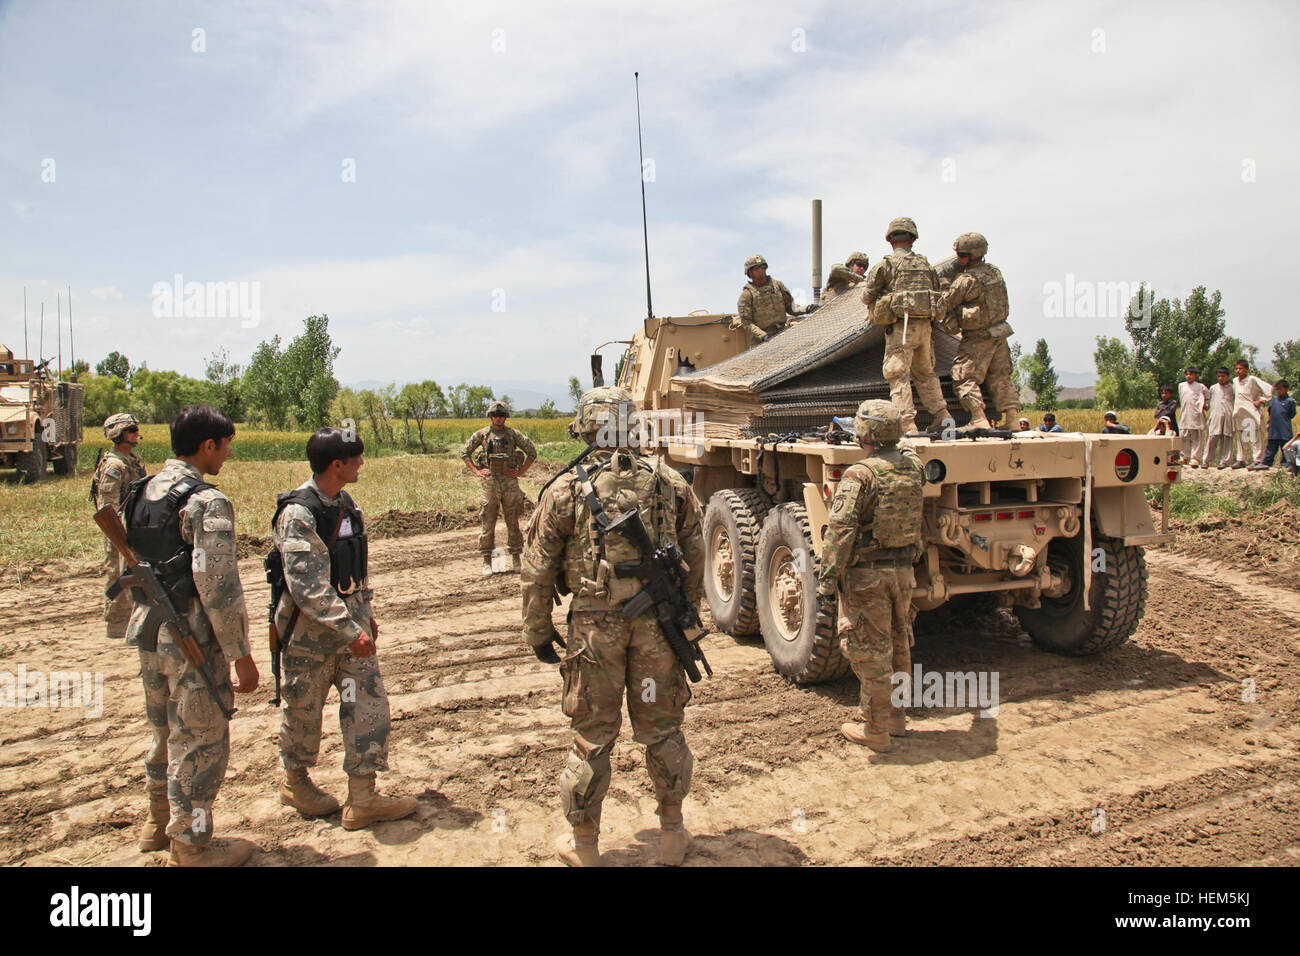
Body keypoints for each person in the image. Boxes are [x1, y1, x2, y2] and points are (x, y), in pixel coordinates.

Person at [521, 386, 705, 867]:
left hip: (593, 631)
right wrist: (687, 611)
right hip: (658, 629)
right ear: (633, 425)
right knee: (663, 727)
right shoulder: (670, 483)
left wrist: (537, 630)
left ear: (584, 427)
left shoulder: (564, 490)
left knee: (592, 733)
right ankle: (671, 833)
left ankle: (585, 846)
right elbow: (697, 553)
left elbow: (537, 568)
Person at [123, 405, 259, 866]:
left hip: (149, 631)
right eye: (225, 446)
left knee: (162, 729)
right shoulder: (206, 501)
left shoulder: (140, 491)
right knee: (201, 741)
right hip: (191, 637)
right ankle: (192, 844)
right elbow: (217, 587)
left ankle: (157, 822)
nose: (226, 454)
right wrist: (240, 653)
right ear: (208, 446)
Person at [272, 427, 418, 828]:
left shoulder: (346, 504)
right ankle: (296, 783)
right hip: (310, 639)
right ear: (337, 465)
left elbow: (357, 568)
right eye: (356, 458)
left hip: (352, 632)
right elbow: (307, 588)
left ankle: (363, 797)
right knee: (303, 711)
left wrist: (365, 613)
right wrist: (349, 629)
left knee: (367, 705)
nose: (362, 464)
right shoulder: (299, 514)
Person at [817, 399, 924, 752]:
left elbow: (841, 529)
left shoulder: (859, 475)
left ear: (864, 432)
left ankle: (875, 731)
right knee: (899, 643)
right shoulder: (913, 467)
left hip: (868, 577)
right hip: (904, 572)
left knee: (870, 652)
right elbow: (907, 454)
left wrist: (828, 578)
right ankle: (896, 718)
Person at [859, 217, 949, 433]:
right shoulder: (926, 265)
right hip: (925, 328)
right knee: (926, 373)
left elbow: (866, 296)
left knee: (898, 374)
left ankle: (907, 423)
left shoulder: (886, 265)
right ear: (913, 239)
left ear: (890, 240)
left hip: (901, 328)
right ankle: (942, 415)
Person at [933, 232, 1019, 430]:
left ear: (972, 256)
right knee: (1001, 377)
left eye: (962, 255)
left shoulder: (966, 280)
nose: (958, 259)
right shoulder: (994, 272)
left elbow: (945, 303)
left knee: (963, 376)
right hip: (1000, 333)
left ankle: (979, 419)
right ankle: (1012, 419)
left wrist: (945, 284)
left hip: (978, 337)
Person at [461, 401, 537, 575]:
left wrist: (520, 472)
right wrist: (477, 471)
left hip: (509, 483)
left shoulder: (513, 434)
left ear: (506, 416)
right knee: (488, 520)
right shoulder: (483, 434)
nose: (498, 418)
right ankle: (487, 560)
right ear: (490, 416)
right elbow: (465, 452)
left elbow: (532, 452)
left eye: (501, 415)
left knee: (513, 521)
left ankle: (516, 558)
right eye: (495, 415)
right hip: (490, 482)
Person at [91, 413, 146, 643]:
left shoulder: (130, 460)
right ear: (118, 433)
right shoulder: (115, 464)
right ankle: (116, 626)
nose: (136, 432)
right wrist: (118, 536)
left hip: (132, 527)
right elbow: (106, 507)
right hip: (118, 529)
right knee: (117, 576)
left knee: (133, 576)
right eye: (131, 429)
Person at [732, 254, 814, 342]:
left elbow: (791, 308)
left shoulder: (778, 285)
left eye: (763, 266)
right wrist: (763, 336)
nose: (761, 270)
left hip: (783, 333)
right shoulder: (746, 295)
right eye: (756, 268)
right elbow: (747, 323)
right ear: (749, 273)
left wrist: (808, 308)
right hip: (763, 341)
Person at [1230, 359, 1272, 468]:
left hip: (1251, 412)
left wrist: (1261, 400)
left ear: (1246, 369)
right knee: (1241, 437)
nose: (1238, 371)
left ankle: (1257, 460)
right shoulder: (1235, 381)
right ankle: (1241, 460)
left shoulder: (1252, 379)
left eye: (1241, 368)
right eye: (1237, 368)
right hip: (1239, 413)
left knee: (1254, 437)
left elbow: (1269, 390)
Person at [1256, 379, 1296, 470]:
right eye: (1277, 390)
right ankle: (1266, 463)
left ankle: (1286, 464)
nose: (1278, 391)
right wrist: (1268, 423)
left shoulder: (1290, 401)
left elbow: (1292, 414)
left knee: (1285, 448)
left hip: (1284, 429)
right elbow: (1270, 413)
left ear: (1286, 389)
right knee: (1271, 447)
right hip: (1273, 429)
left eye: (1280, 389)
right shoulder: (1274, 400)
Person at [1178, 367, 1211, 467]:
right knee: (1184, 437)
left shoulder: (1201, 387)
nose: (1189, 376)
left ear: (1196, 375)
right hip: (1185, 414)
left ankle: (1195, 458)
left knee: (1197, 438)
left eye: (1191, 374)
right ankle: (1184, 457)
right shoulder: (1181, 386)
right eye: (1187, 374)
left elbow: (1208, 397)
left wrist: (1205, 405)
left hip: (1196, 415)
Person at [1206, 367, 1236, 469]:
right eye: (1218, 376)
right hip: (1215, 414)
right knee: (1212, 437)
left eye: (1223, 376)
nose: (1220, 378)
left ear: (1228, 376)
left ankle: (1224, 461)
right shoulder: (1213, 388)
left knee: (1227, 438)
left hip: (1228, 415)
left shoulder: (1233, 388)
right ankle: (1206, 460)